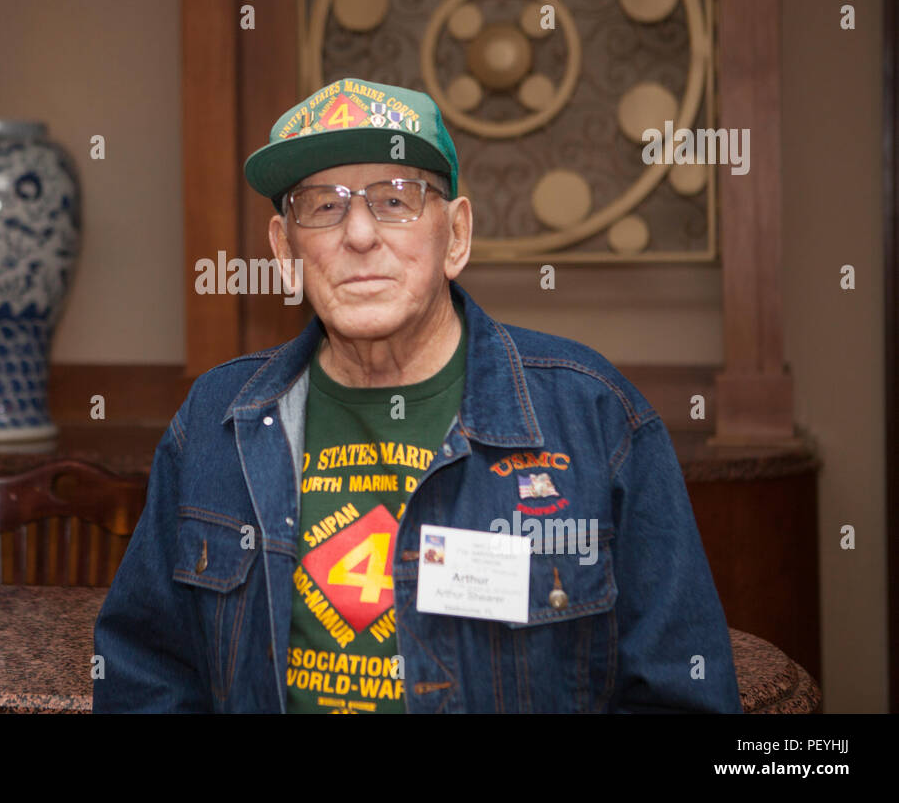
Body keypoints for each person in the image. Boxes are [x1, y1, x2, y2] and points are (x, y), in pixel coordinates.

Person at [93, 76, 742, 713]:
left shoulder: (593, 416)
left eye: (396, 198)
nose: (359, 234)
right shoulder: (217, 422)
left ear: (455, 235)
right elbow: (145, 674)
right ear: (285, 251)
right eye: (323, 205)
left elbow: (683, 694)